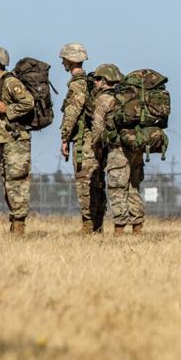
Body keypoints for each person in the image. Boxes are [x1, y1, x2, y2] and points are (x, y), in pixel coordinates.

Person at [89, 64, 145, 235]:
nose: (95, 82)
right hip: (136, 147)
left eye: (98, 79)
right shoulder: (131, 96)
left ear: (106, 81)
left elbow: (97, 127)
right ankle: (137, 228)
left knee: (116, 188)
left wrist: (96, 146)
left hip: (118, 149)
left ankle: (119, 230)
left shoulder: (104, 99)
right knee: (133, 187)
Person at [57, 43, 106, 233]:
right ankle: (98, 224)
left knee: (84, 181)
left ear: (69, 60)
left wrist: (64, 137)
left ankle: (88, 225)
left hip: (84, 139)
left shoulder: (78, 84)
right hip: (97, 138)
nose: (62, 62)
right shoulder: (91, 82)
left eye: (63, 59)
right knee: (97, 181)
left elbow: (72, 112)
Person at [0, 46, 33, 235]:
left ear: (1, 62)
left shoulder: (11, 82)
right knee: (7, 181)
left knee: (16, 181)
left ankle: (19, 224)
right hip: (5, 139)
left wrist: (9, 110)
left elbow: (29, 102)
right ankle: (15, 221)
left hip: (16, 140)